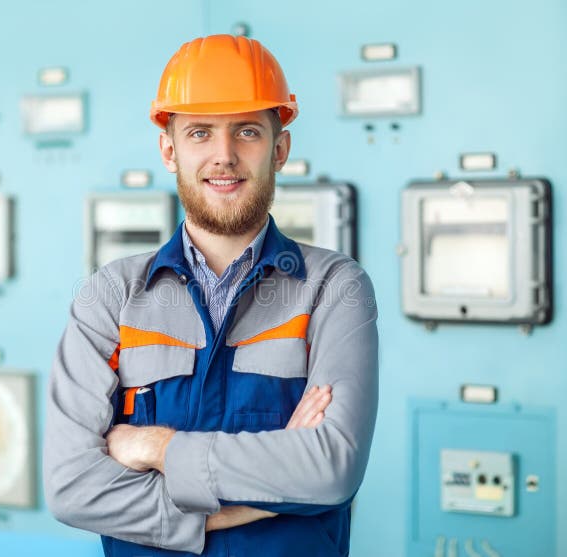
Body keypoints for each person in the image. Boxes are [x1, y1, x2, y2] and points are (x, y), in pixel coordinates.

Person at [44, 34, 379, 557]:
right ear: (170, 149)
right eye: (200, 132)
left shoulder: (334, 287)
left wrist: (157, 447)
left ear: (280, 148)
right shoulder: (110, 296)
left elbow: (331, 468)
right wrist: (256, 500)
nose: (224, 156)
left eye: (247, 131)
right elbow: (71, 487)